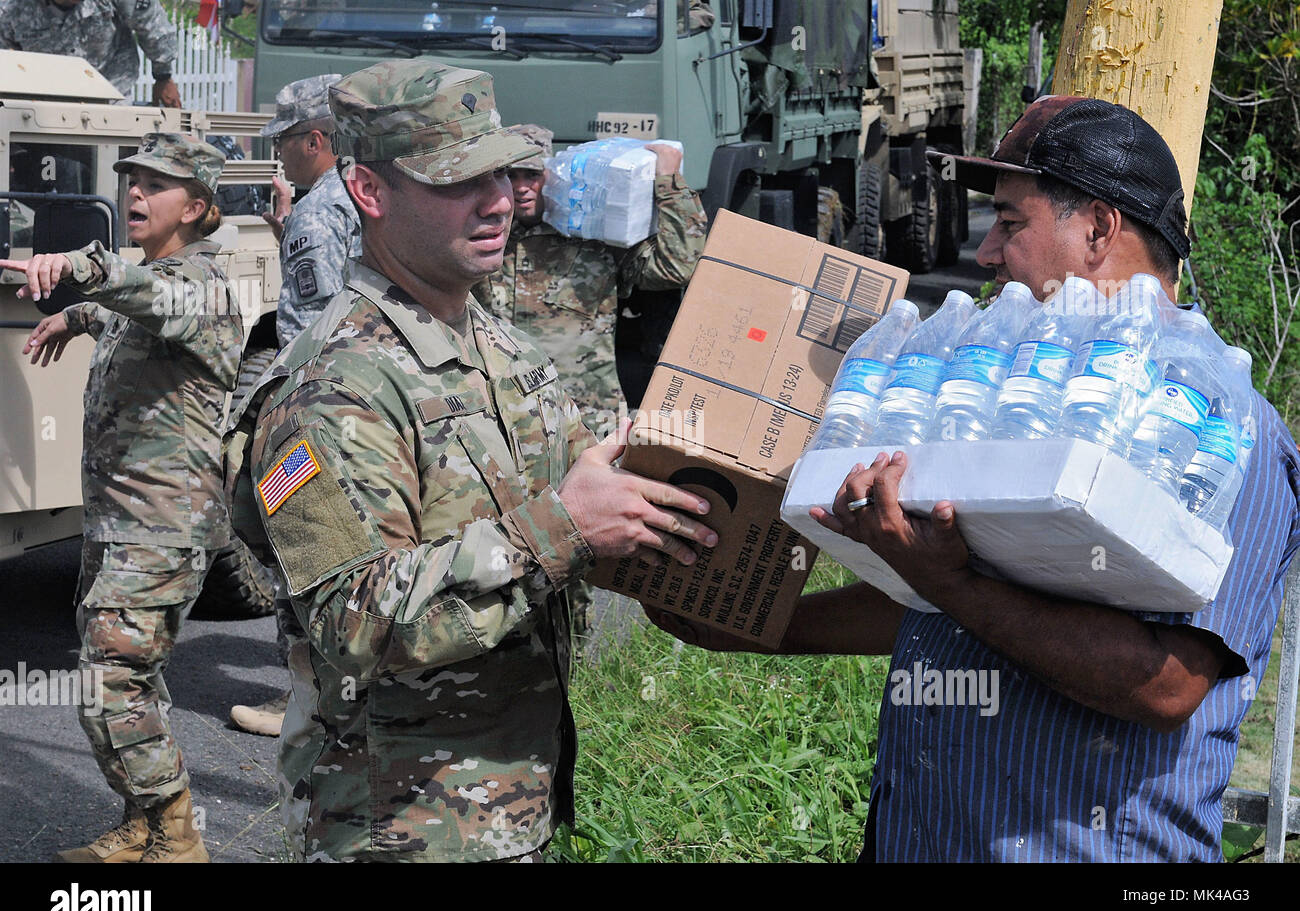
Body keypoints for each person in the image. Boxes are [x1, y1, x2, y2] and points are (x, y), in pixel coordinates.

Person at [652, 96, 1300, 862]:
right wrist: (766, 628)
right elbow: (953, 605)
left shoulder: (1220, 430)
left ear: (1097, 228)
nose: (986, 253)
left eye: (1011, 223)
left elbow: (1165, 685)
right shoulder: (1006, 392)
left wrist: (954, 583)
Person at [221, 59, 719, 862]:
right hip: (401, 829)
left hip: (508, 804)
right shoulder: (332, 386)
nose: (495, 202)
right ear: (370, 192)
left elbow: (564, 507)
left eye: (499, 173)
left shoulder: (489, 339)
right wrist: (563, 527)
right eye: (456, 180)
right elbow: (355, 621)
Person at [9, 132, 239, 863]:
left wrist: (78, 268)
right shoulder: (160, 276)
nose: (134, 192)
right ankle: (141, 822)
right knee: (121, 684)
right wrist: (73, 316)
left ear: (197, 206)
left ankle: (177, 836)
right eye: (131, 179)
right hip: (119, 522)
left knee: (113, 684)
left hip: (164, 525)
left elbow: (148, 296)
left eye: (155, 184)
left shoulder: (204, 284)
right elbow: (125, 307)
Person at [227, 74, 363, 739]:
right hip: (371, 409)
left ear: (317, 138)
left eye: (285, 140)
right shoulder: (376, 193)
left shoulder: (319, 210)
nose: (278, 153)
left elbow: (310, 331)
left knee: (299, 548)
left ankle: (309, 704)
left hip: (316, 416)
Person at [473, 123, 707, 441]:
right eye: (510, 177)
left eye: (531, 175)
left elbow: (676, 266)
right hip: (505, 419)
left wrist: (669, 183)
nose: (521, 187)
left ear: (551, 176)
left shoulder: (592, 236)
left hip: (586, 421)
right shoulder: (482, 241)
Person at [0, 0, 181, 107]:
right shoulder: (11, 8)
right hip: (43, 106)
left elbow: (152, 26)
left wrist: (163, 76)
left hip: (111, 96)